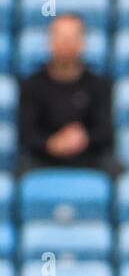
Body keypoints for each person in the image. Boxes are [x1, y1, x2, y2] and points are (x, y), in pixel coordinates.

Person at [17, 13, 120, 176]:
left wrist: (82, 139)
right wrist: (52, 143)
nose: (65, 44)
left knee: (116, 169)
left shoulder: (99, 85)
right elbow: (26, 134)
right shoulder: (31, 84)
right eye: (60, 37)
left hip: (88, 156)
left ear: (82, 42)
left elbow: (105, 132)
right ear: (49, 41)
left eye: (71, 38)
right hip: (43, 158)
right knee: (20, 170)